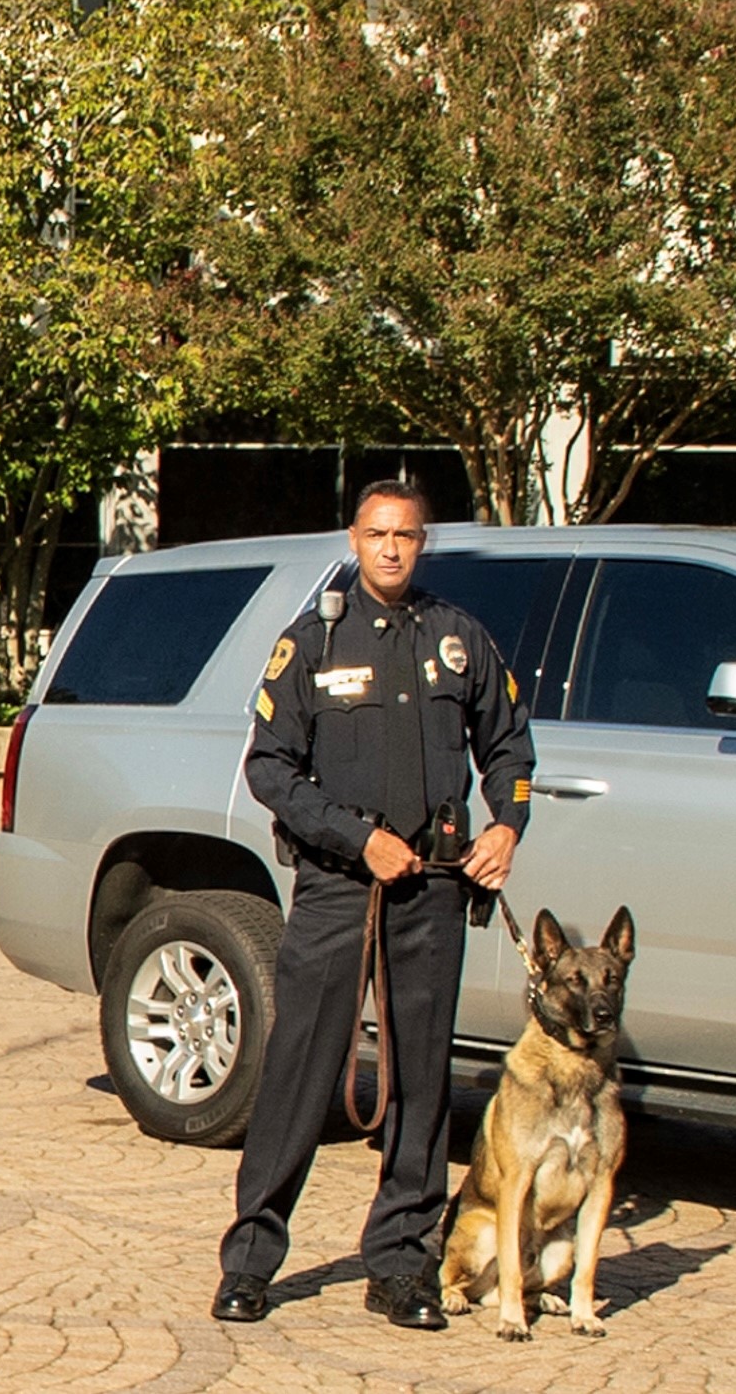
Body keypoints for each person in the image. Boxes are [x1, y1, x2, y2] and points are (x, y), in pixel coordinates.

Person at [213, 479, 533, 1331]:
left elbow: (506, 745)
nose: (391, 549)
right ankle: (250, 1258)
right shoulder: (312, 641)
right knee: (300, 1074)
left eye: (406, 536)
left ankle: (401, 1264)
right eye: (377, 534)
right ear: (353, 539)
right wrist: (356, 839)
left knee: (419, 1085)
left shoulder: (459, 637)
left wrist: (507, 824)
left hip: (431, 888)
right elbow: (268, 769)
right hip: (338, 890)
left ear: (423, 544)